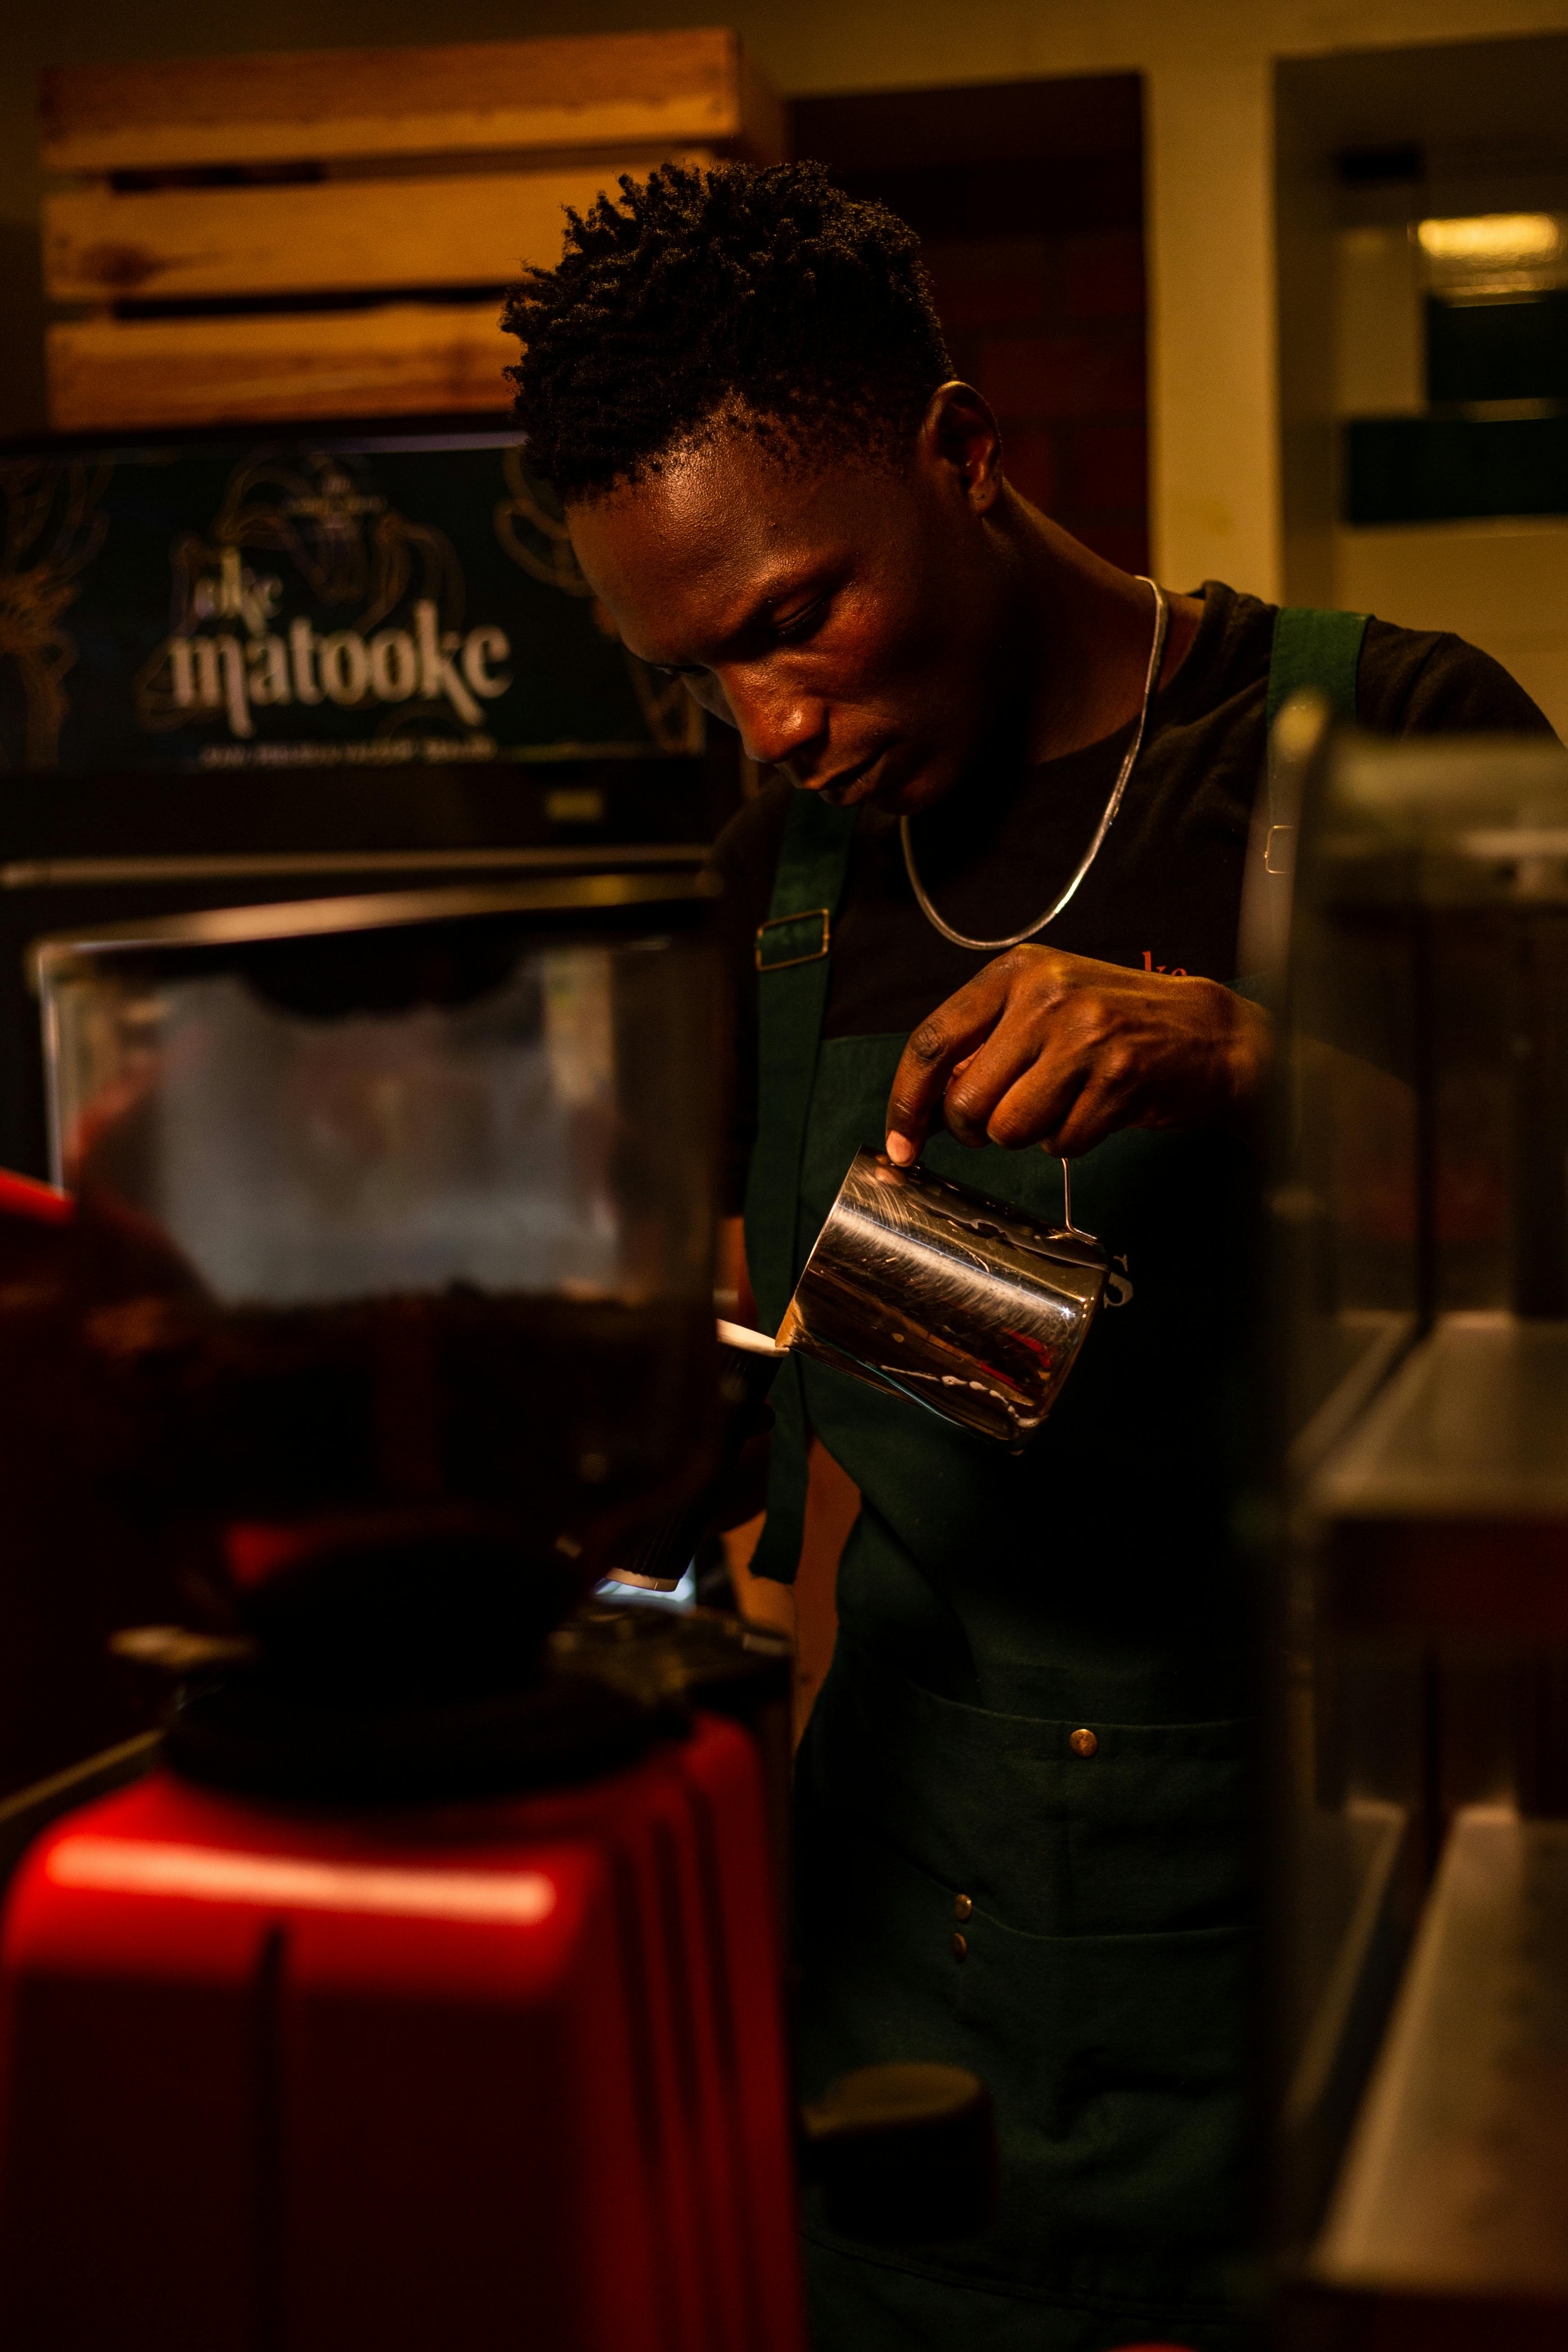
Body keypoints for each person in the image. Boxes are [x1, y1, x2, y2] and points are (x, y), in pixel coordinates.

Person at [503, 162, 1554, 2351]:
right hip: (910, 1981)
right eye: (700, 672)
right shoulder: (785, 877)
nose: (771, 724)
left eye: (796, 617)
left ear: (966, 457)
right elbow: (798, 1475)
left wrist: (1281, 1051)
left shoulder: (1394, 737)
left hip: (1330, 1943)